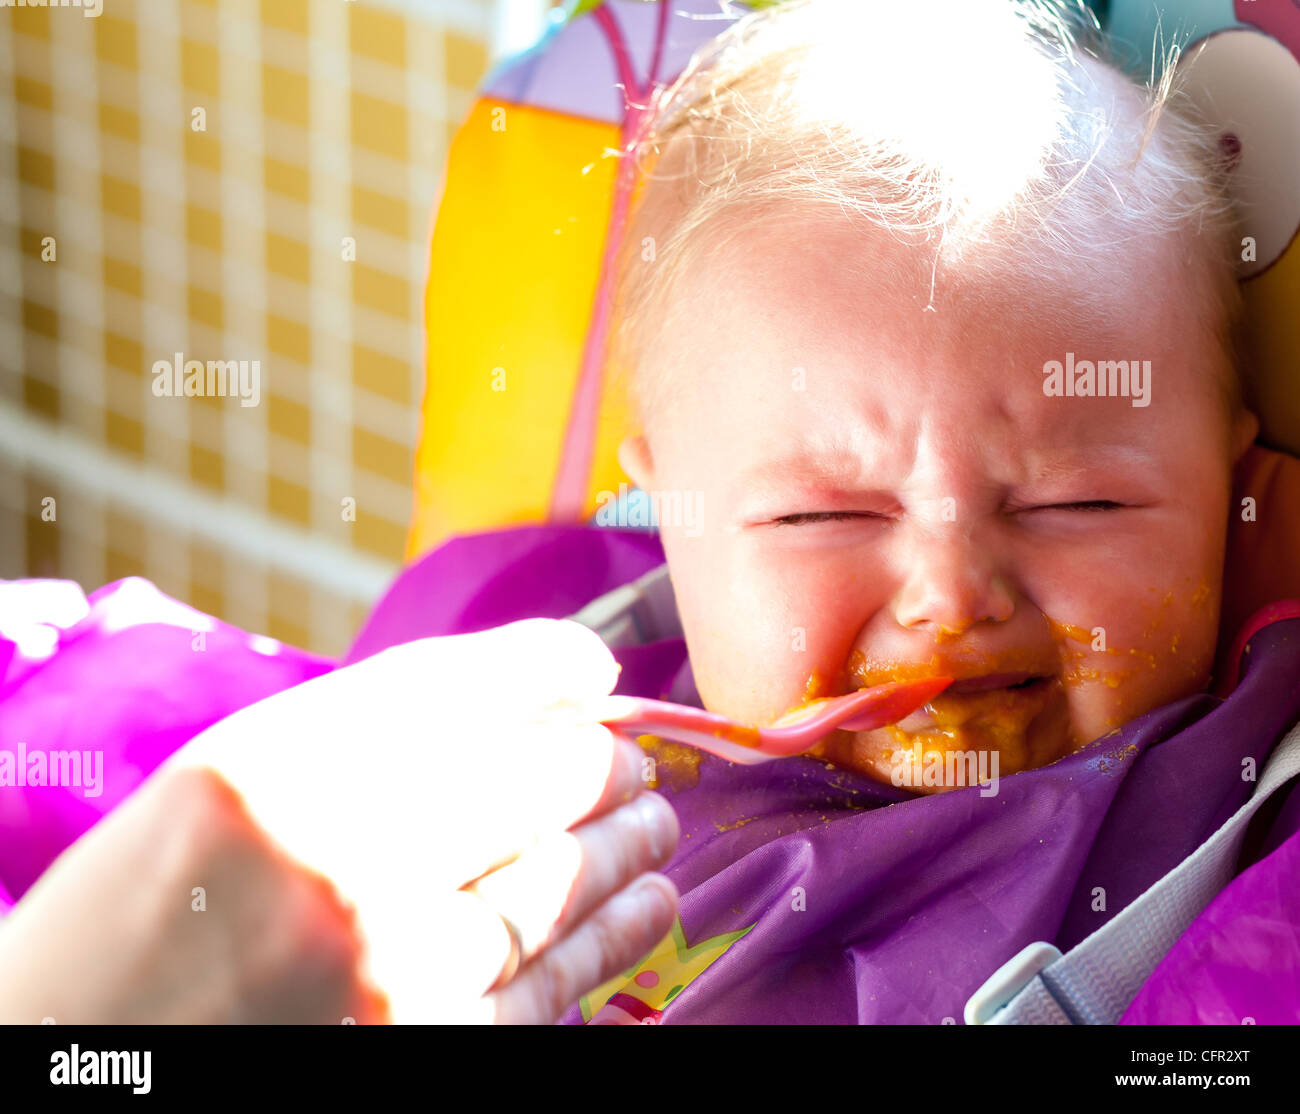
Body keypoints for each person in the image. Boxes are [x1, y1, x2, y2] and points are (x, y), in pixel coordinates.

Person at [3, 0, 1298, 1023]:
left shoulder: (1248, 824)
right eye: (820, 517)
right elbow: (209, 768)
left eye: (1079, 499)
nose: (952, 593)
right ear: (673, 514)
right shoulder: (548, 671)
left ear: (1240, 503)